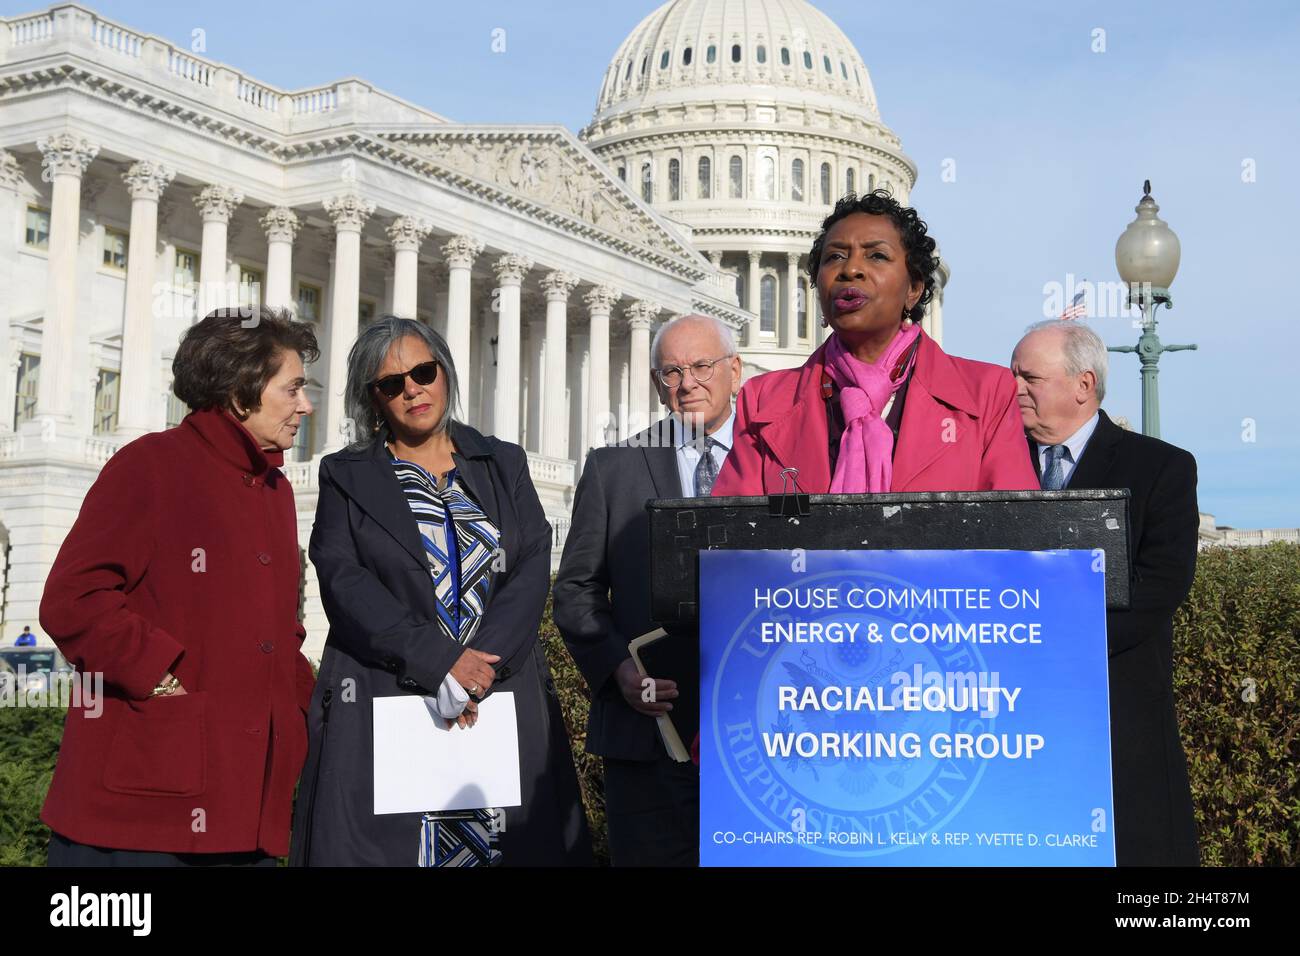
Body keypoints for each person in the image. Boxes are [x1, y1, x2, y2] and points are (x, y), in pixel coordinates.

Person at [290, 316, 591, 866]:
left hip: (498, 697)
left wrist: (479, 670)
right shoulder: (345, 475)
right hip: (391, 696)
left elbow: (528, 563)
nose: (412, 389)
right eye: (391, 383)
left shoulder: (502, 462)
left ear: (445, 373)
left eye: (423, 372)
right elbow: (343, 579)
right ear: (374, 399)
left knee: (510, 847)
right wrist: (439, 663)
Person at [39, 306, 319, 866]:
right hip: (145, 804)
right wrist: (160, 678)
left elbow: (280, 632)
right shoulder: (150, 464)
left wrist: (308, 714)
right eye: (293, 389)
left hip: (249, 802)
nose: (305, 406)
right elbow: (73, 599)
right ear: (242, 391)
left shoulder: (276, 490)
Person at [554, 313, 741, 866]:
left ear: (735, 370)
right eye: (671, 372)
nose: (687, 383)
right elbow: (576, 590)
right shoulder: (614, 468)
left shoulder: (778, 459)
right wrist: (619, 670)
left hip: (757, 731)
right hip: (648, 735)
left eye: (702, 366)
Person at [1011, 319, 1200, 866]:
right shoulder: (989, 466)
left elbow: (1160, 585)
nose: (1015, 389)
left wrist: (1052, 644)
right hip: (1016, 716)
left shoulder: (1161, 467)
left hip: (1119, 712)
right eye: (1013, 375)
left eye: (1030, 377)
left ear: (1083, 385)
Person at [713, 190, 1037, 496]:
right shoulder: (762, 402)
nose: (851, 269)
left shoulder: (987, 394)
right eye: (835, 256)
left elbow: (1013, 538)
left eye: (877, 256)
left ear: (913, 289)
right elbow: (732, 537)